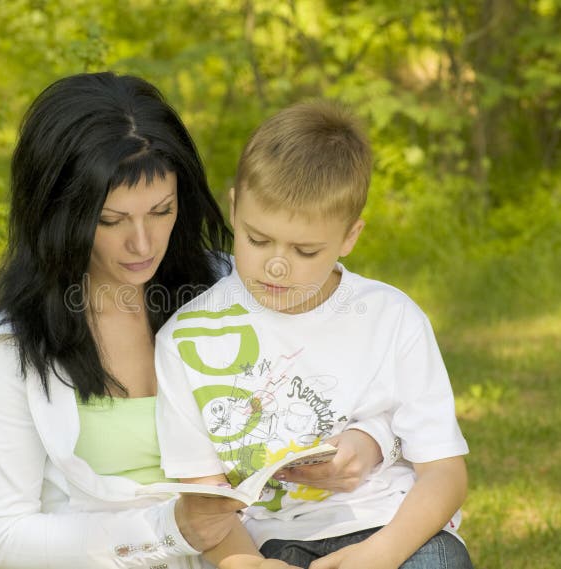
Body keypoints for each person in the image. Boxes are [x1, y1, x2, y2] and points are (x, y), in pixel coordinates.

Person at [0, 72, 383, 569]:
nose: (142, 244)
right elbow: (3, 534)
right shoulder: (17, 347)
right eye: (110, 220)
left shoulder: (236, 284)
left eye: (161, 211)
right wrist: (171, 531)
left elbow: (367, 369)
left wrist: (372, 442)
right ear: (57, 215)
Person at [154, 100, 474, 569]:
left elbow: (444, 472)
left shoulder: (392, 318)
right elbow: (204, 505)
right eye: (257, 239)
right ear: (234, 207)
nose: (276, 266)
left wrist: (381, 554)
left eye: (305, 251)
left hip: (388, 525)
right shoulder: (186, 338)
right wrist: (250, 565)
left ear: (349, 237)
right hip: (267, 544)